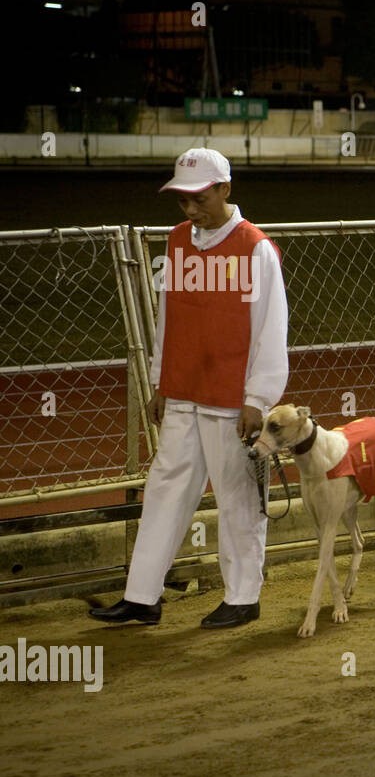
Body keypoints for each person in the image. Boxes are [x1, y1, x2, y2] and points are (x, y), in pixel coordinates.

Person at [90, 148, 289, 629]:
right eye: (183, 200)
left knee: (237, 495)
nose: (190, 209)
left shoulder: (255, 247)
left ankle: (244, 596)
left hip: (230, 400)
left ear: (225, 188)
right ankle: (142, 597)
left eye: (199, 198)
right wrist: (161, 381)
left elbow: (270, 329)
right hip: (181, 394)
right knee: (164, 490)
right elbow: (168, 320)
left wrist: (257, 400)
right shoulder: (177, 241)